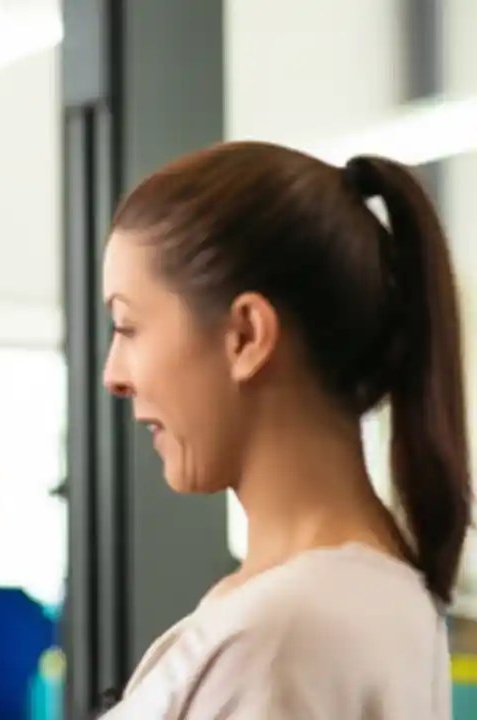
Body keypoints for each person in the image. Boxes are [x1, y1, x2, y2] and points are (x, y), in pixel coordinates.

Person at [97, 141, 468, 718]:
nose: (113, 376)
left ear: (245, 336)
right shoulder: (361, 595)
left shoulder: (284, 632)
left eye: (129, 327)